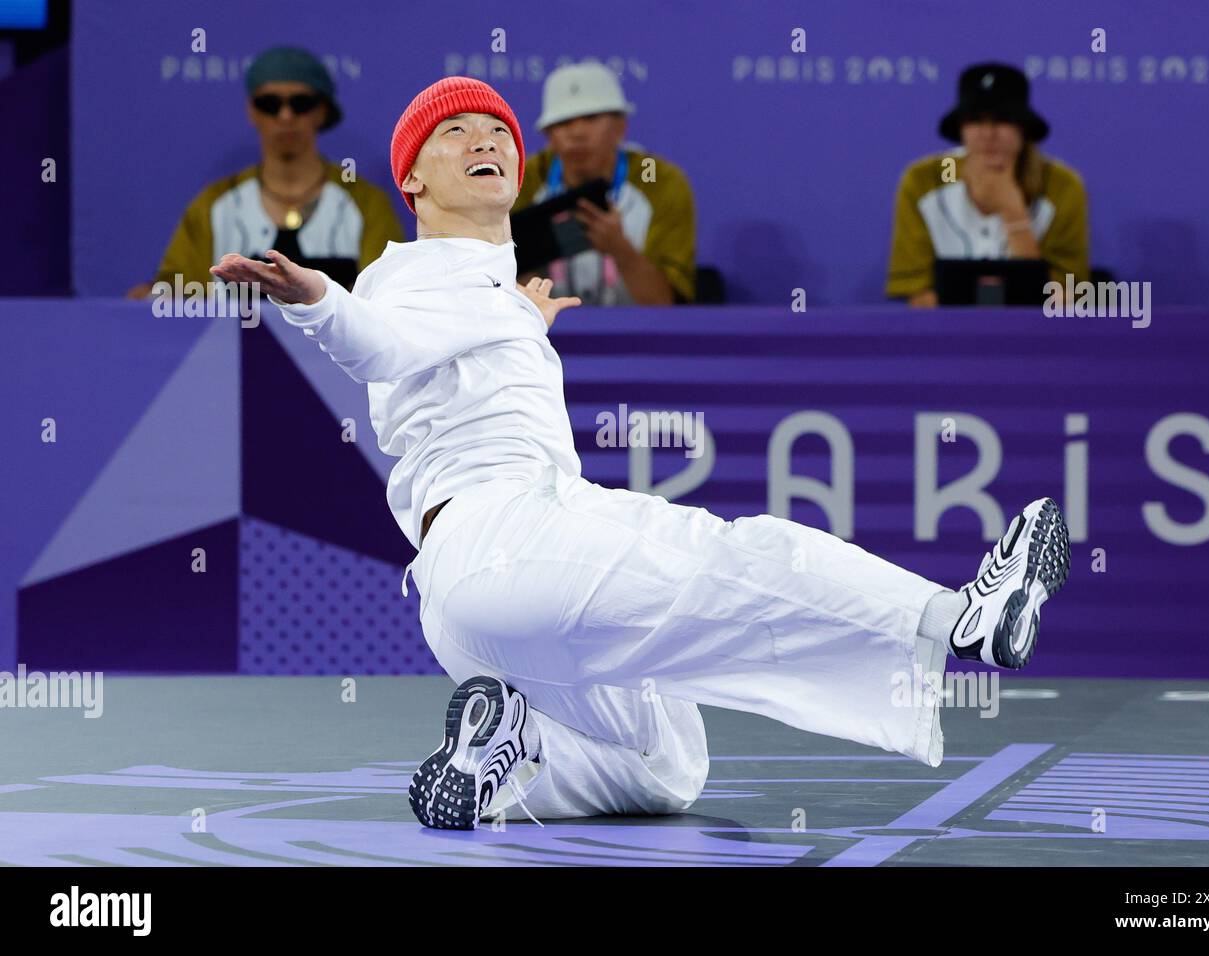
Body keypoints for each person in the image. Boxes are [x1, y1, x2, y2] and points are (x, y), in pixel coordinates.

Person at [210, 77, 1071, 830]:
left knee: (668, 766)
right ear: (412, 179)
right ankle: (962, 617)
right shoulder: (415, 274)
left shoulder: (486, 295)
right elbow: (378, 342)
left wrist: (522, 323)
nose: (485, 140)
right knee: (741, 556)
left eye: (499, 131)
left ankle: (514, 753)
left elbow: (440, 344)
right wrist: (316, 299)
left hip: (469, 608)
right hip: (509, 537)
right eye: (454, 132)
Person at [127, 46, 404, 298]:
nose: (285, 116)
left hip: (334, 354)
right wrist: (150, 300)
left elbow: (387, 299)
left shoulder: (368, 205)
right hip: (228, 354)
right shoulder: (213, 205)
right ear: (252, 111)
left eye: (301, 103)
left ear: (322, 111)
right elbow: (177, 297)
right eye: (270, 104)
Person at [886, 62, 1089, 306]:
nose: (987, 133)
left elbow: (1065, 299)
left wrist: (1013, 214)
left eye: (1002, 120)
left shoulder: (1061, 185)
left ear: (1023, 128)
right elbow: (918, 295)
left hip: (1033, 338)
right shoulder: (927, 179)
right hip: (948, 337)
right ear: (961, 128)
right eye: (975, 120)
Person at [511, 62, 696, 305]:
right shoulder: (518, 180)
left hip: (638, 336)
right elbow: (499, 296)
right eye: (564, 122)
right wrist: (531, 253)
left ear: (621, 127)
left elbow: (666, 306)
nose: (577, 133)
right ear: (549, 136)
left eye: (590, 118)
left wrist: (621, 251)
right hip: (544, 334)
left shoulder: (660, 181)